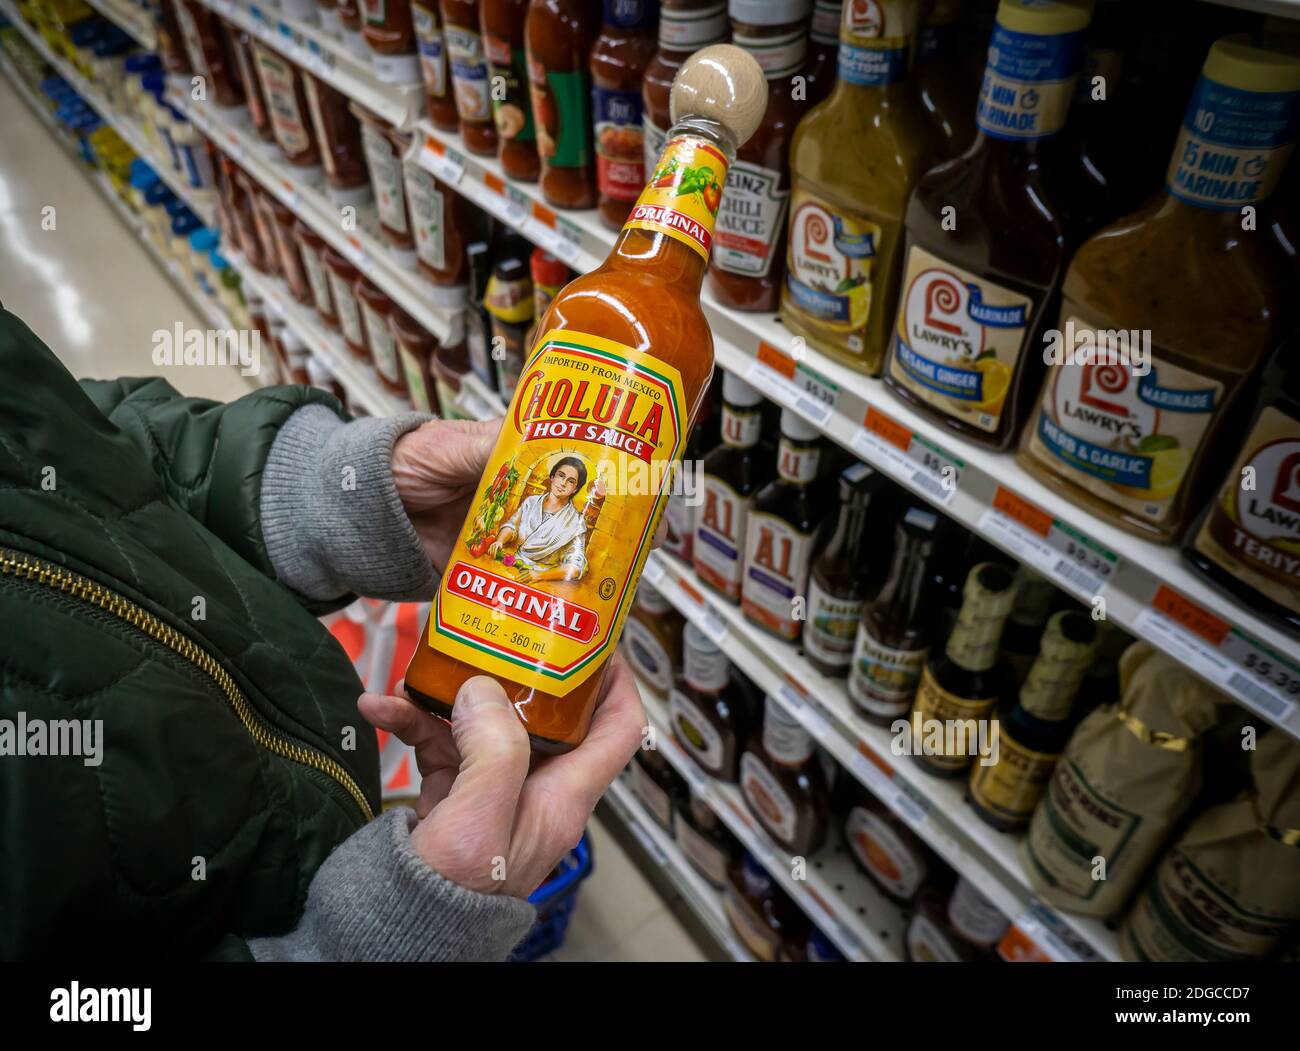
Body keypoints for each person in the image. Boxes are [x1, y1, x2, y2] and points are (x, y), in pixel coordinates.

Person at [0, 308, 644, 962]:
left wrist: (341, 491)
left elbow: (71, 439)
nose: (561, 483)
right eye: (558, 475)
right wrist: (384, 940)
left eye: (569, 479)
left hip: (324, 791)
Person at [489, 456, 590, 583]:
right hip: (512, 565)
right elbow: (512, 526)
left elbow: (575, 567)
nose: (563, 483)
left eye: (571, 481)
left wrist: (539, 576)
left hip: (543, 580)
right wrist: (500, 541)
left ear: (575, 489)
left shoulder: (575, 522)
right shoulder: (531, 502)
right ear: (552, 477)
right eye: (561, 476)